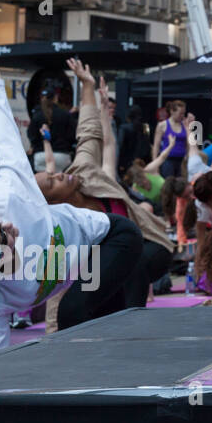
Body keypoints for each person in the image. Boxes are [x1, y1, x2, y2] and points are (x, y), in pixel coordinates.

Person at [0, 73, 142, 348]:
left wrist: (89, 91)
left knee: (71, 312)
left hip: (113, 240)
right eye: (51, 180)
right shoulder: (1, 294)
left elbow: (89, 139)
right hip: (80, 264)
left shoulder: (12, 197)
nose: (60, 176)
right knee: (77, 318)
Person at [34, 59, 174, 309]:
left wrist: (87, 86)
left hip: (149, 247)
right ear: (53, 202)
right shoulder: (57, 228)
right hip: (101, 274)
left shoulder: (83, 171)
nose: (60, 175)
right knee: (83, 304)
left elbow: (88, 133)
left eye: (54, 173)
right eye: (53, 182)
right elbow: (56, 288)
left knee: (134, 261)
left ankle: (133, 323)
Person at [152, 100, 188, 180]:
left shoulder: (184, 125)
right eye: (180, 113)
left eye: (183, 113)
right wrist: (155, 164)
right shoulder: (162, 125)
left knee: (180, 186)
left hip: (181, 161)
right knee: (169, 185)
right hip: (167, 160)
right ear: (172, 111)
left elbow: (188, 143)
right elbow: (156, 146)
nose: (182, 116)